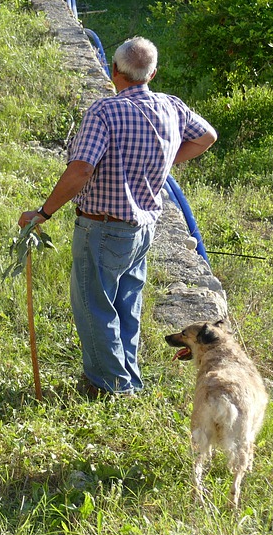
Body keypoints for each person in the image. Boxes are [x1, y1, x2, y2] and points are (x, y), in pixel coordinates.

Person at [18, 37, 217, 397]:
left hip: (103, 228)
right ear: (152, 73)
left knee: (95, 307)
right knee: (127, 305)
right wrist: (164, 160)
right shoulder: (172, 107)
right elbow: (207, 136)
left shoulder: (104, 112)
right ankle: (127, 377)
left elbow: (80, 170)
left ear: (113, 70)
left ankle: (108, 386)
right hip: (143, 228)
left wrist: (43, 213)